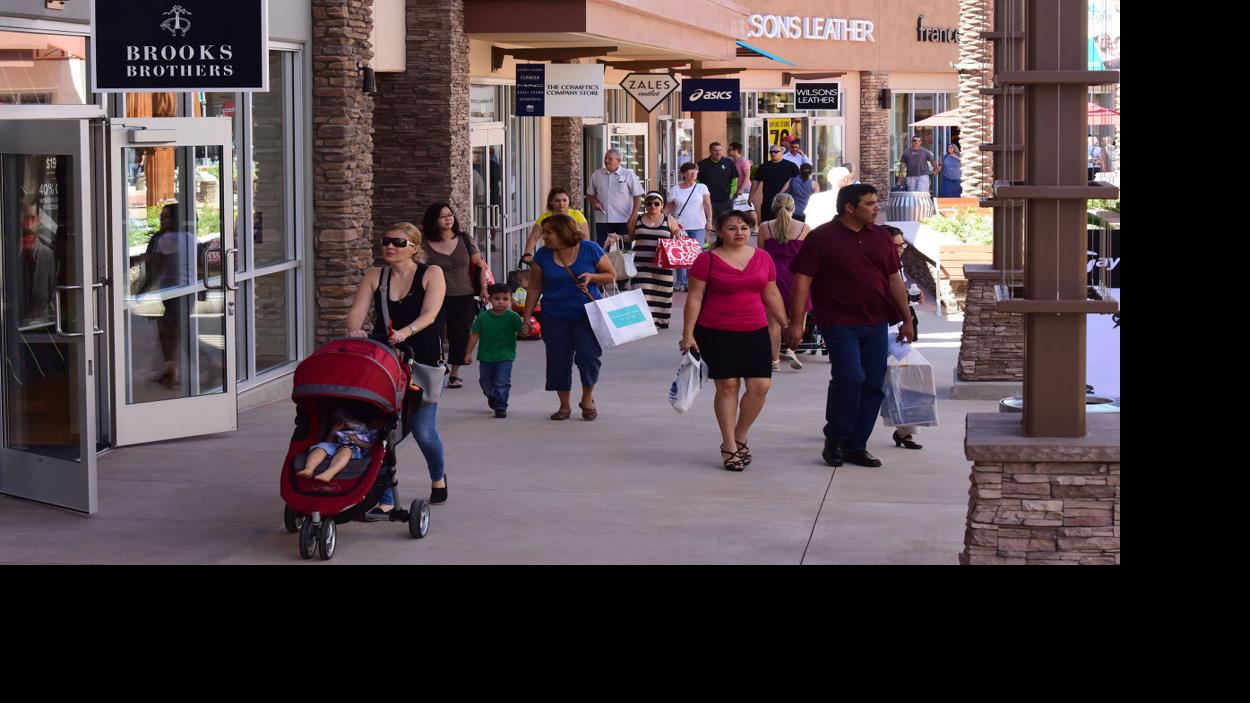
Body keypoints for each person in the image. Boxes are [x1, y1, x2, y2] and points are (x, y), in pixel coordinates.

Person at [787, 184, 916, 469]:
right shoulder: (821, 238)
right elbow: (801, 282)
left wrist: (907, 319)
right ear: (850, 207)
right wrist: (797, 323)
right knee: (850, 377)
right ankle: (835, 439)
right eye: (869, 203)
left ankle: (856, 445)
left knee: (873, 383)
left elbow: (895, 280)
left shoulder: (882, 238)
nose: (876, 207)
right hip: (838, 321)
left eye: (875, 202)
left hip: (877, 321)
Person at [345, 222, 449, 508]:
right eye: (386, 241)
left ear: (415, 249)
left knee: (423, 432)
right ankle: (386, 495)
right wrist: (355, 331)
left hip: (423, 359)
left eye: (399, 243)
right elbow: (357, 311)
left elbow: (430, 313)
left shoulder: (432, 274)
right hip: (386, 360)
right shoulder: (375, 275)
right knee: (380, 431)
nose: (390, 246)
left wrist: (405, 332)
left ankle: (438, 476)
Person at [680, 210, 790, 472]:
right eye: (731, 228)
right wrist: (688, 334)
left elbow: (771, 291)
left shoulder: (762, 258)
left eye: (743, 227)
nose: (738, 232)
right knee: (727, 386)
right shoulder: (706, 260)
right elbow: (694, 297)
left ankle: (741, 434)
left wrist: (786, 323)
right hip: (717, 330)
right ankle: (729, 444)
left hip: (755, 329)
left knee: (760, 386)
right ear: (719, 231)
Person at [522, 214, 617, 421]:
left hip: (587, 315)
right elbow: (535, 287)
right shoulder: (543, 256)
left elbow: (611, 275)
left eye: (549, 233)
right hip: (554, 315)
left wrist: (592, 277)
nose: (544, 238)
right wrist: (526, 317)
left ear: (563, 232)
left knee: (588, 357)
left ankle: (587, 398)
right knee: (558, 359)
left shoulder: (590, 248)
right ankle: (564, 406)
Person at [422, 202, 487, 390]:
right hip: (435, 296)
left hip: (463, 293)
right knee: (434, 332)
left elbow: (479, 264)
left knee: (460, 333)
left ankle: (455, 372)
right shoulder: (425, 244)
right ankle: (438, 366)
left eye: (450, 215)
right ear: (433, 220)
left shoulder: (465, 238)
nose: (448, 219)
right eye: (443, 216)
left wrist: (483, 288)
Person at [759, 193, 812, 372]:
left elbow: (761, 254)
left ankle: (774, 361)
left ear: (773, 208)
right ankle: (791, 349)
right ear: (794, 207)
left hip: (772, 277)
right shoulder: (805, 228)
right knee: (798, 319)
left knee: (772, 322)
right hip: (797, 277)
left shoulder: (765, 227)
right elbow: (808, 257)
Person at [886, 226, 923, 450]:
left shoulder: (897, 265)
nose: (901, 249)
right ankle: (841, 430)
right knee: (861, 382)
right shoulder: (874, 265)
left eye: (903, 245)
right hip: (875, 330)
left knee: (911, 373)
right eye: (896, 245)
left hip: (896, 330)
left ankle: (906, 432)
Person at [464, 283, 524, 418]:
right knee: (485, 383)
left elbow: (523, 332)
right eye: (497, 298)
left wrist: (528, 327)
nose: (501, 302)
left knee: (502, 382)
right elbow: (474, 336)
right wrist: (468, 353)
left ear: (511, 301)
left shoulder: (513, 317)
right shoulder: (483, 317)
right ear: (490, 300)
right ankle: (492, 396)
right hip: (486, 356)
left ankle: (501, 406)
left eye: (505, 299)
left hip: (505, 356)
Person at [628, 191, 684, 329]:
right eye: (649, 203)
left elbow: (676, 231)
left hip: (663, 264)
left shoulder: (668, 219)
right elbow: (630, 237)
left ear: (661, 205)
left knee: (662, 293)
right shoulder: (637, 219)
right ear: (645, 205)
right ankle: (646, 322)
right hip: (641, 263)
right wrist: (617, 238)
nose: (652, 206)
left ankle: (658, 321)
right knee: (642, 292)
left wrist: (677, 233)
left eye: (656, 203)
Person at [296, 410, 384, 482]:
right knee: (320, 448)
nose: (375, 424)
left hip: (352, 448)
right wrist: (334, 431)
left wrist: (358, 441)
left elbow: (370, 446)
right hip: (335, 445)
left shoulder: (373, 435)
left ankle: (329, 473)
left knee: (345, 451)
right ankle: (309, 469)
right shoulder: (358, 428)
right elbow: (329, 441)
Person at [666, 163, 712, 292]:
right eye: (690, 171)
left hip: (698, 225)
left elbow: (707, 205)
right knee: (681, 255)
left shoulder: (701, 187)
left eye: (695, 171)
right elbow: (669, 207)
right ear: (683, 174)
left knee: (695, 255)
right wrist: (662, 220)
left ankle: (692, 282)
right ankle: (681, 281)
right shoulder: (675, 189)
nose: (693, 174)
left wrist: (709, 220)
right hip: (680, 226)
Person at [586, 148, 644, 248]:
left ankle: (625, 264)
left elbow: (637, 196)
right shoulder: (597, 174)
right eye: (605, 158)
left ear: (619, 161)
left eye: (610, 159)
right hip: (603, 220)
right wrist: (594, 202)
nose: (606, 161)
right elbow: (590, 194)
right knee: (602, 249)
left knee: (624, 249)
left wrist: (634, 216)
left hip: (624, 220)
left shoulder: (628, 174)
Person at [523, 187, 590, 261]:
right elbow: (534, 237)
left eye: (564, 200)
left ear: (569, 200)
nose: (561, 204)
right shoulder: (545, 217)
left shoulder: (577, 215)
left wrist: (584, 254)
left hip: (574, 253)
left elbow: (585, 237)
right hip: (551, 253)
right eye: (557, 201)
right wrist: (527, 254)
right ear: (551, 202)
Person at [751, 144, 800, 224]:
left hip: (786, 202)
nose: (773, 154)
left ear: (781, 153)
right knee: (768, 224)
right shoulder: (764, 167)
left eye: (776, 152)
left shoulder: (791, 166)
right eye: (771, 152)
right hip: (768, 202)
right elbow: (756, 181)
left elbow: (799, 181)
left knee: (786, 224)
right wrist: (751, 196)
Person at [697, 141, 737, 218]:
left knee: (725, 222)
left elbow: (734, 180)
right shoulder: (701, 164)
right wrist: (701, 195)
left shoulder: (729, 162)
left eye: (720, 150)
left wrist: (731, 195)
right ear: (710, 151)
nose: (718, 152)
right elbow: (697, 181)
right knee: (709, 223)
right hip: (708, 200)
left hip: (725, 200)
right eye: (715, 150)